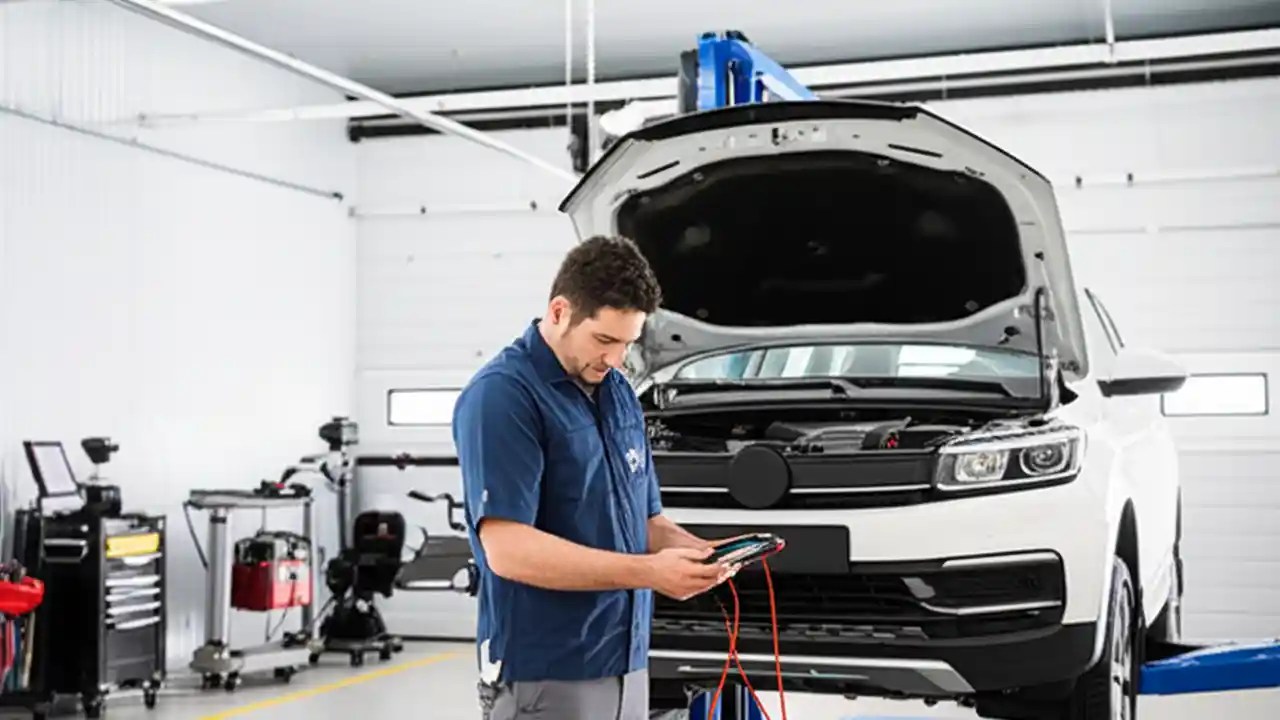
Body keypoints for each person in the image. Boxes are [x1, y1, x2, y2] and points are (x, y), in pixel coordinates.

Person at [453, 235, 733, 720]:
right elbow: (508, 550)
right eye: (604, 340)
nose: (616, 359)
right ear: (560, 312)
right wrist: (650, 573)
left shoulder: (619, 393)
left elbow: (644, 522)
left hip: (625, 659)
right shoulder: (503, 397)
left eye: (627, 343)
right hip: (546, 669)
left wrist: (698, 552)